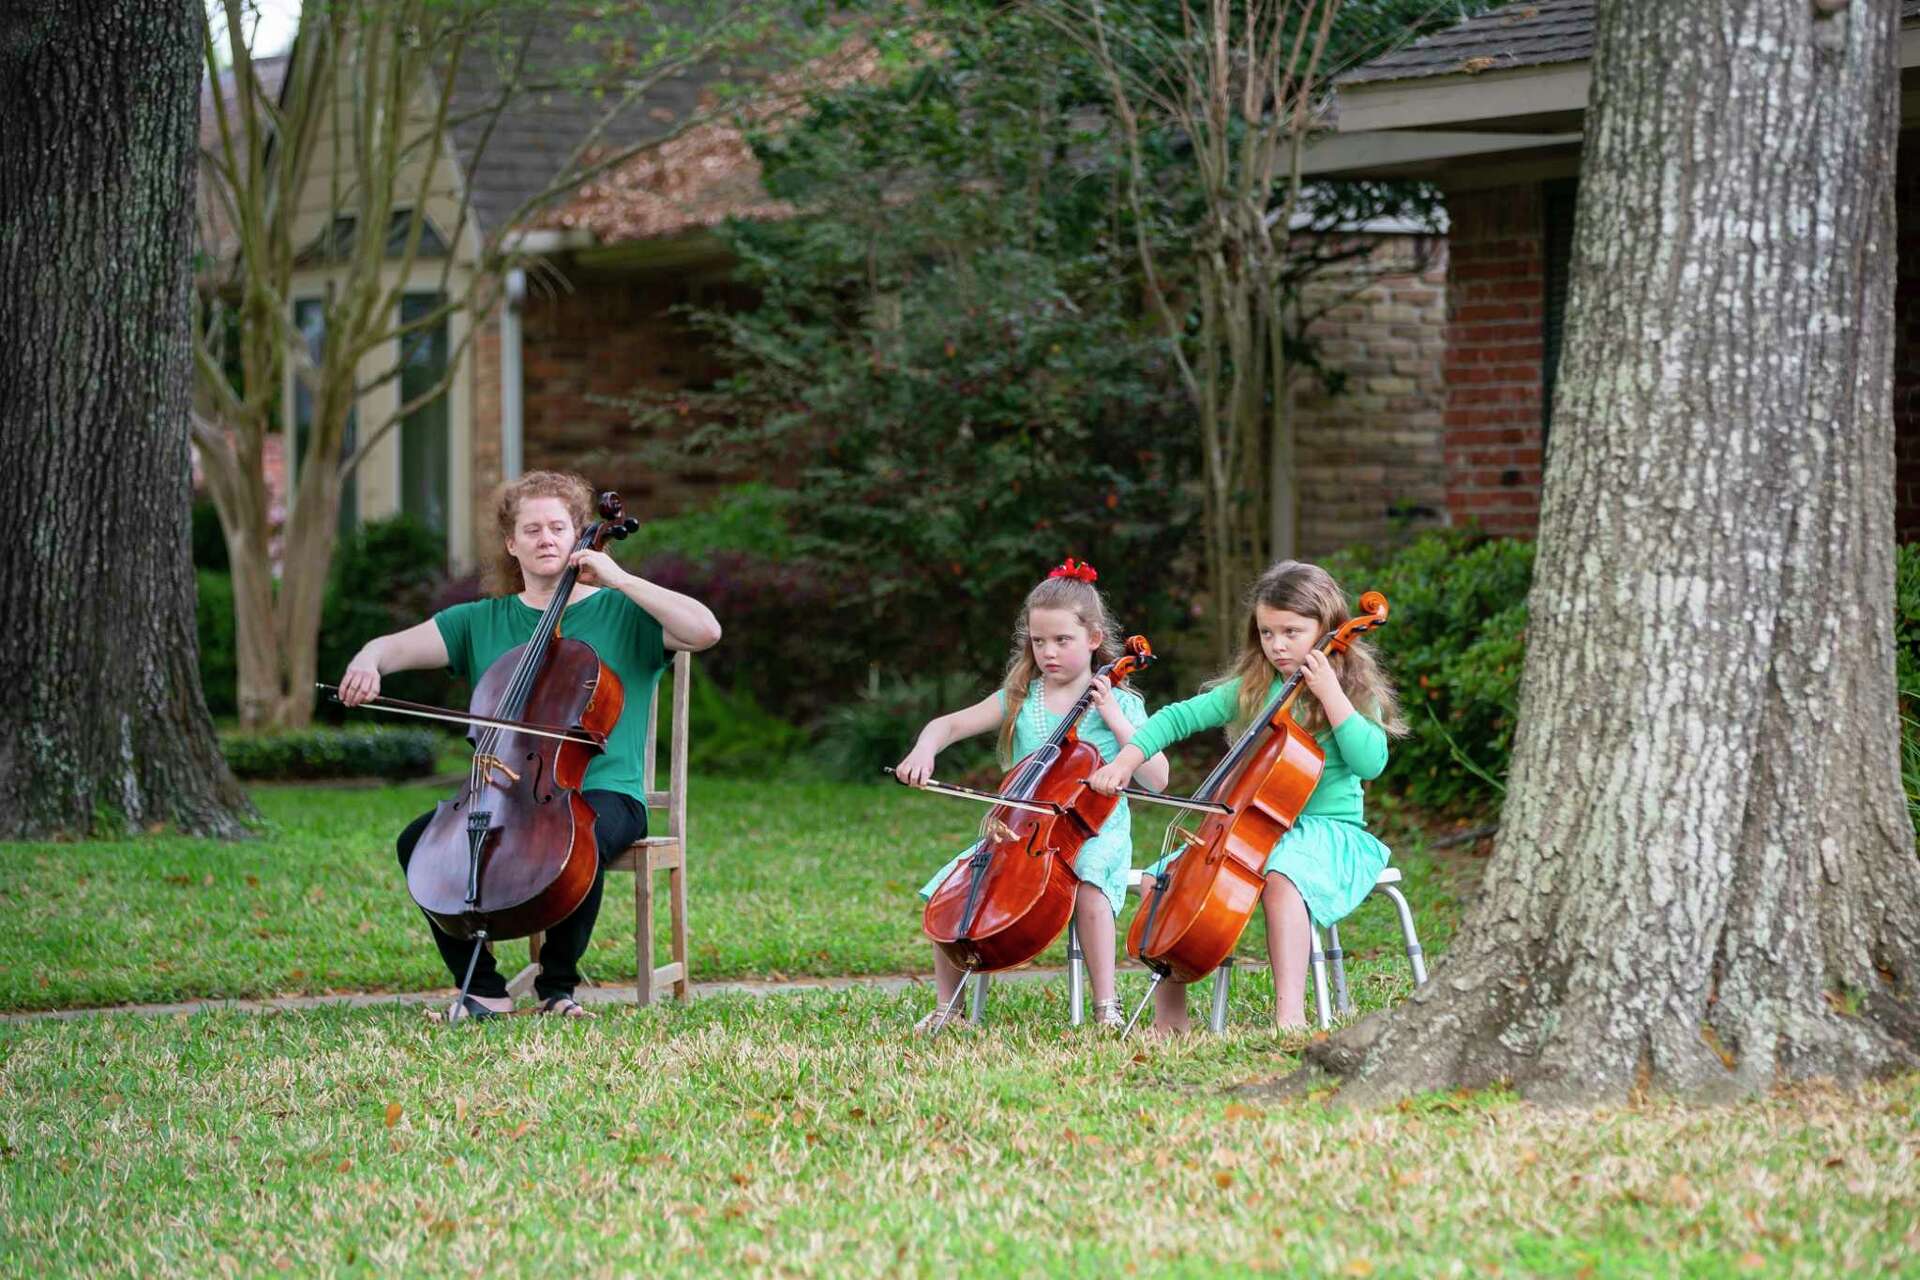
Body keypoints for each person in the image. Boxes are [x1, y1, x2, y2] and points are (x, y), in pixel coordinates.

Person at [337, 470, 721, 1020]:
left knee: (576, 831)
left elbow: (705, 631)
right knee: (417, 842)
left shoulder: (622, 612)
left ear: (578, 536)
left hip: (606, 791)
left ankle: (557, 989)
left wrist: (619, 578)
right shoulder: (481, 620)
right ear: (511, 543)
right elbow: (388, 647)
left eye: (558, 528)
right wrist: (367, 663)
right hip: (499, 790)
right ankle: (484, 988)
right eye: (532, 529)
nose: (546, 538)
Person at [1088, 560, 1404, 1034]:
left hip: (1331, 834)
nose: (1277, 645)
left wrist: (1331, 695)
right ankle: (1171, 1018)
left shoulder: (1351, 689)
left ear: (1326, 628)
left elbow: (1371, 761)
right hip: (1255, 829)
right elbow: (1176, 718)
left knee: (1283, 877)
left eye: (1292, 632)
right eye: (1267, 632)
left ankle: (1290, 1016)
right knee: (1163, 880)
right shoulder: (1255, 688)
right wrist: (1124, 762)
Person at [894, 559, 1170, 1032]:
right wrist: (924, 749)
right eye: (1039, 642)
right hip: (1018, 831)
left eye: (1062, 640)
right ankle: (948, 1007)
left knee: (1086, 883)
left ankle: (1107, 1006)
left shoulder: (1121, 703)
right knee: (952, 886)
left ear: (1094, 639)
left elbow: (1158, 778)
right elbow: (949, 724)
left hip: (1095, 830)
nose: (1049, 652)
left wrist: (1113, 716)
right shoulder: (1022, 698)